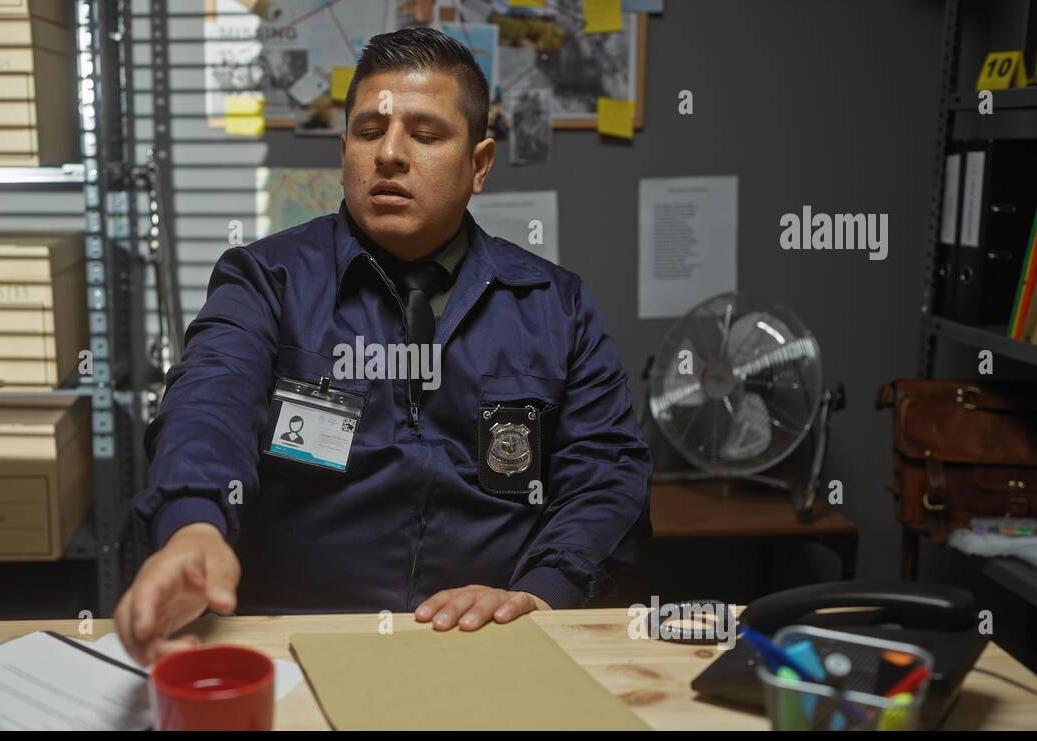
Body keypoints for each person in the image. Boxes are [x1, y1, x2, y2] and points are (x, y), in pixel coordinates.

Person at [117, 27, 651, 665]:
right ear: (344, 152)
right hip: (297, 642)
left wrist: (542, 594)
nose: (390, 154)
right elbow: (210, 398)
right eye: (370, 132)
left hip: (492, 642)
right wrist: (193, 523)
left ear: (478, 164)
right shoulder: (267, 280)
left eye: (425, 135)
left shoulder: (552, 304)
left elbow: (607, 471)